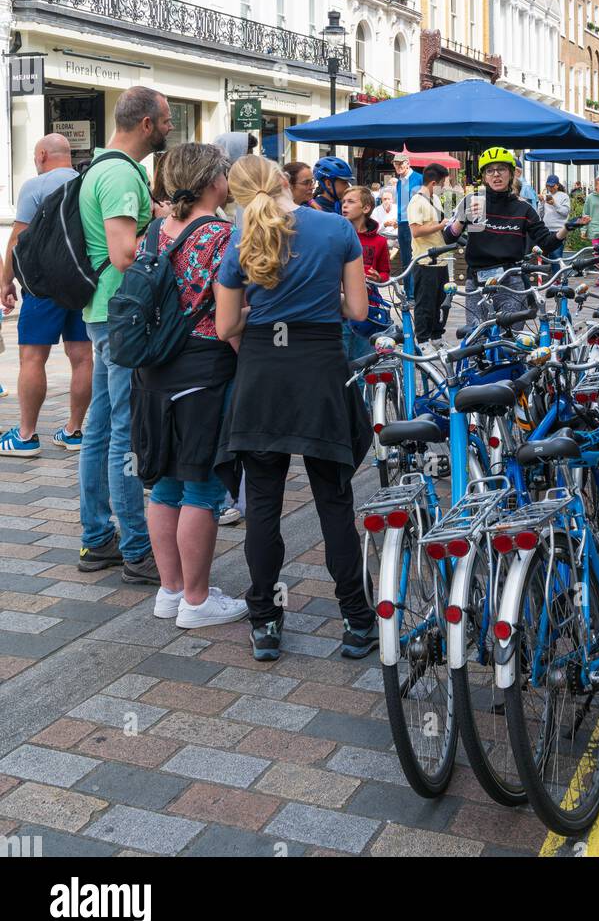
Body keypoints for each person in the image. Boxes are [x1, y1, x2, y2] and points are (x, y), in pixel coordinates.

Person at [215, 155, 376, 662]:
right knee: (334, 499)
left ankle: (264, 621)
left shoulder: (241, 240)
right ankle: (355, 619)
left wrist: (256, 310)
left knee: (262, 503)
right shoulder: (336, 229)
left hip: (264, 373)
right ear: (285, 181)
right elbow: (357, 311)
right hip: (319, 370)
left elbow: (224, 329)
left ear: (238, 198)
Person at [128, 142, 247, 627]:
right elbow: (227, 320)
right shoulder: (223, 236)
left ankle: (170, 591)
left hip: (152, 370)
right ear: (212, 182)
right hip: (202, 370)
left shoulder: (153, 232)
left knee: (163, 485)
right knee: (201, 486)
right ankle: (197, 601)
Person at [77, 86, 174, 584]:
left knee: (98, 425)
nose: (170, 127)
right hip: (123, 312)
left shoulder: (105, 167)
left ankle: (97, 536)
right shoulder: (119, 174)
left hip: (103, 310)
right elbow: (123, 255)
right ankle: (137, 547)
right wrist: (164, 230)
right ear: (145, 124)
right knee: (123, 429)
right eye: (165, 120)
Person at [0, 135, 92, 457]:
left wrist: (5, 282)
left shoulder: (35, 187)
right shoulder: (87, 182)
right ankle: (74, 430)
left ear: (41, 155)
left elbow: (17, 238)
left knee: (32, 358)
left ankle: (25, 436)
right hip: (83, 285)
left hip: (43, 286)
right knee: (82, 357)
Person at [442, 148, 571, 323]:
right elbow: (449, 237)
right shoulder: (474, 201)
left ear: (511, 174)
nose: (496, 175)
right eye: (490, 170)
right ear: (485, 176)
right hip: (477, 283)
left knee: (509, 343)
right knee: (475, 340)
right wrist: (463, 218)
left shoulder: (522, 208)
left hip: (511, 283)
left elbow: (546, 243)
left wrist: (566, 228)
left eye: (501, 169)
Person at [340, 185, 392, 362]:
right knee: (341, 364)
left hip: (367, 310)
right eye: (343, 202)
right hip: (341, 310)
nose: (344, 206)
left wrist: (379, 277)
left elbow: (386, 273)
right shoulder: (337, 234)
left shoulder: (380, 241)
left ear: (366, 208)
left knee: (364, 363)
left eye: (351, 202)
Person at [407, 163, 449, 344]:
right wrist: (441, 225)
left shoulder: (436, 200)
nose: (445, 187)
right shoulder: (416, 201)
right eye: (443, 183)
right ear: (433, 183)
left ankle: (437, 337)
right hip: (424, 261)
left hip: (441, 259)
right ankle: (423, 341)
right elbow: (415, 231)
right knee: (425, 304)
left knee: (441, 302)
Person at [392, 154, 422, 291]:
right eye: (395, 164)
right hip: (402, 223)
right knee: (405, 260)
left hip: (415, 222)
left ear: (407, 163)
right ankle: (408, 294)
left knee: (415, 259)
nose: (398, 166)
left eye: (400, 163)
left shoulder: (419, 178)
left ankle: (415, 294)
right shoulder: (399, 181)